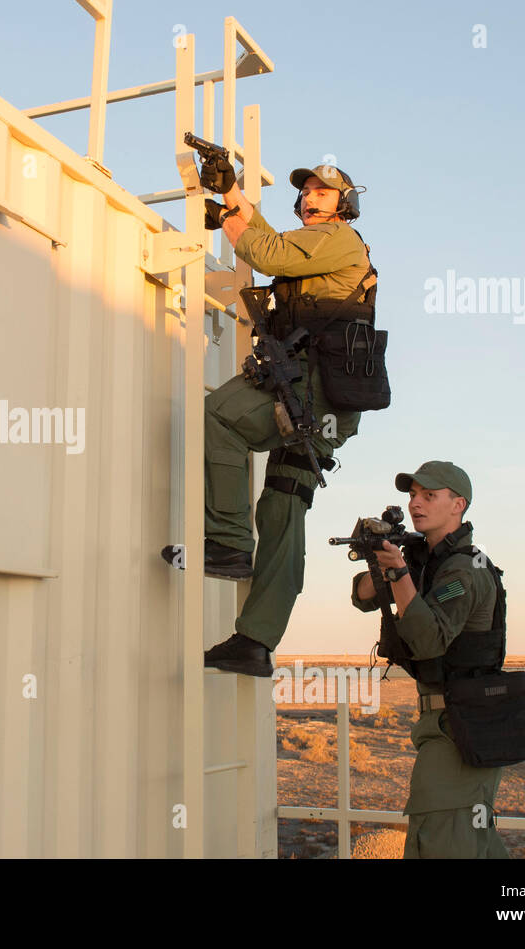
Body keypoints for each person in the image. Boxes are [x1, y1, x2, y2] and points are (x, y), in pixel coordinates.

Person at [165, 161, 377, 677]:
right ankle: (255, 642)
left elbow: (266, 253)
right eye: (307, 191)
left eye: (324, 191)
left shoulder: (339, 239)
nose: (311, 197)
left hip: (311, 391)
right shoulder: (316, 244)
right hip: (327, 403)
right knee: (283, 511)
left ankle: (229, 543)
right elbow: (269, 243)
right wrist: (232, 200)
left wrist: (229, 207)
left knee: (220, 417)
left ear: (345, 203)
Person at [352, 461, 510, 859]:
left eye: (429, 495)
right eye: (412, 495)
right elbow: (362, 596)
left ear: (458, 505)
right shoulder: (428, 561)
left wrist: (398, 571)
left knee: (439, 836)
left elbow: (427, 641)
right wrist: (380, 559)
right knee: (469, 840)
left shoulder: (464, 569)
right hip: (448, 720)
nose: (415, 504)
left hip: (461, 725)